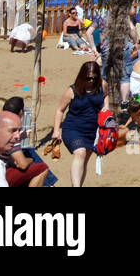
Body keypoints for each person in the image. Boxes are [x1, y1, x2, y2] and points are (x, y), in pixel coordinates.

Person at [53, 60, 105, 188]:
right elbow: (60, 110)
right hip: (73, 128)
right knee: (80, 153)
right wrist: (56, 130)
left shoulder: (102, 86)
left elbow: (106, 97)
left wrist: (106, 111)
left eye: (94, 77)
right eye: (88, 78)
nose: (91, 81)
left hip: (92, 130)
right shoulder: (72, 90)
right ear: (83, 76)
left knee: (84, 161)